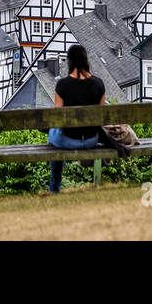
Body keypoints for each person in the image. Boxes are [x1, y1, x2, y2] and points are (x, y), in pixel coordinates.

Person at [45, 45, 106, 194]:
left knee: (54, 134)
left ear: (69, 62)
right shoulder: (99, 84)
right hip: (91, 139)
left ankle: (54, 188)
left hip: (68, 140)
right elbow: (102, 117)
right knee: (57, 133)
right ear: (86, 60)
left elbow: (57, 117)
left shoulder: (62, 85)